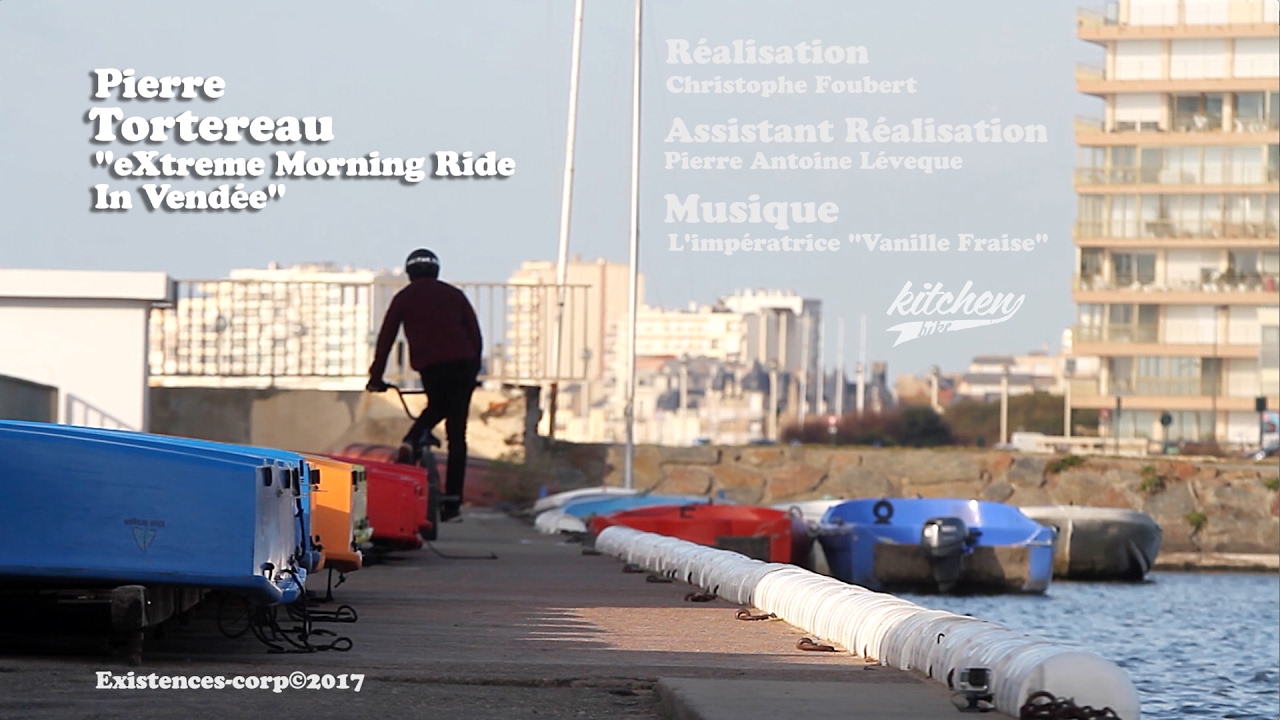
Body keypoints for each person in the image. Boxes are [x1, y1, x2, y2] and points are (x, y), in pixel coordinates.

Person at [366, 248, 482, 522]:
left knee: (438, 403)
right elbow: (475, 336)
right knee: (457, 435)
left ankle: (409, 441)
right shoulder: (454, 295)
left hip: (432, 368)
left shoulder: (404, 298)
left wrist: (376, 377)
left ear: (410, 273)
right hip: (463, 365)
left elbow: (386, 340)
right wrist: (474, 369)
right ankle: (452, 503)